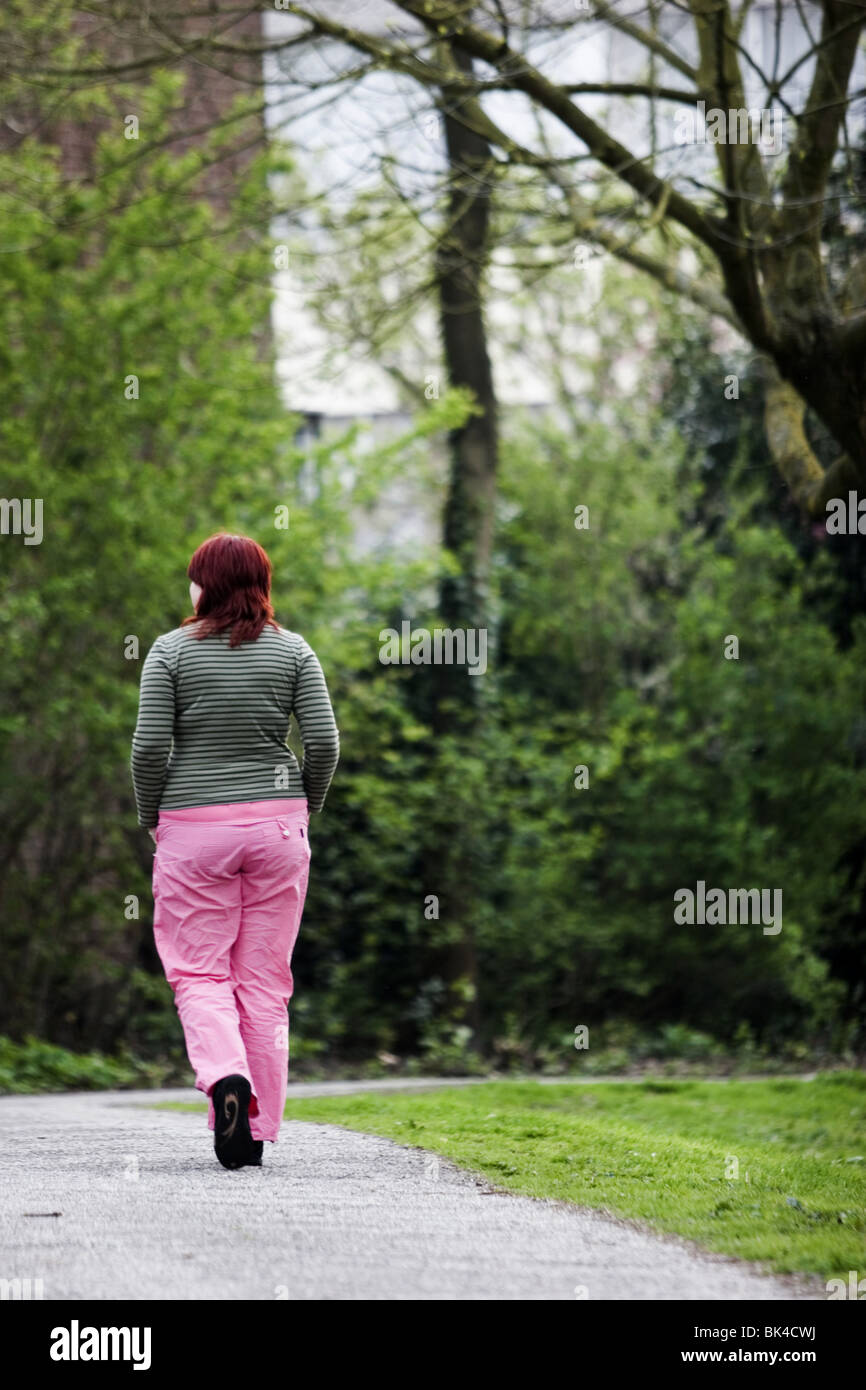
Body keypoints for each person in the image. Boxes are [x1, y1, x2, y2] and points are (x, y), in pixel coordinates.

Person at [130, 532, 339, 1169]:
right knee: (265, 983)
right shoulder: (293, 651)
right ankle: (255, 1131)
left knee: (199, 972)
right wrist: (305, 808)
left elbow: (148, 750)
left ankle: (225, 1078)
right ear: (260, 585)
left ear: (207, 586)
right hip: (278, 831)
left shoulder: (169, 652)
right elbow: (324, 744)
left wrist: (151, 818)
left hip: (194, 832)